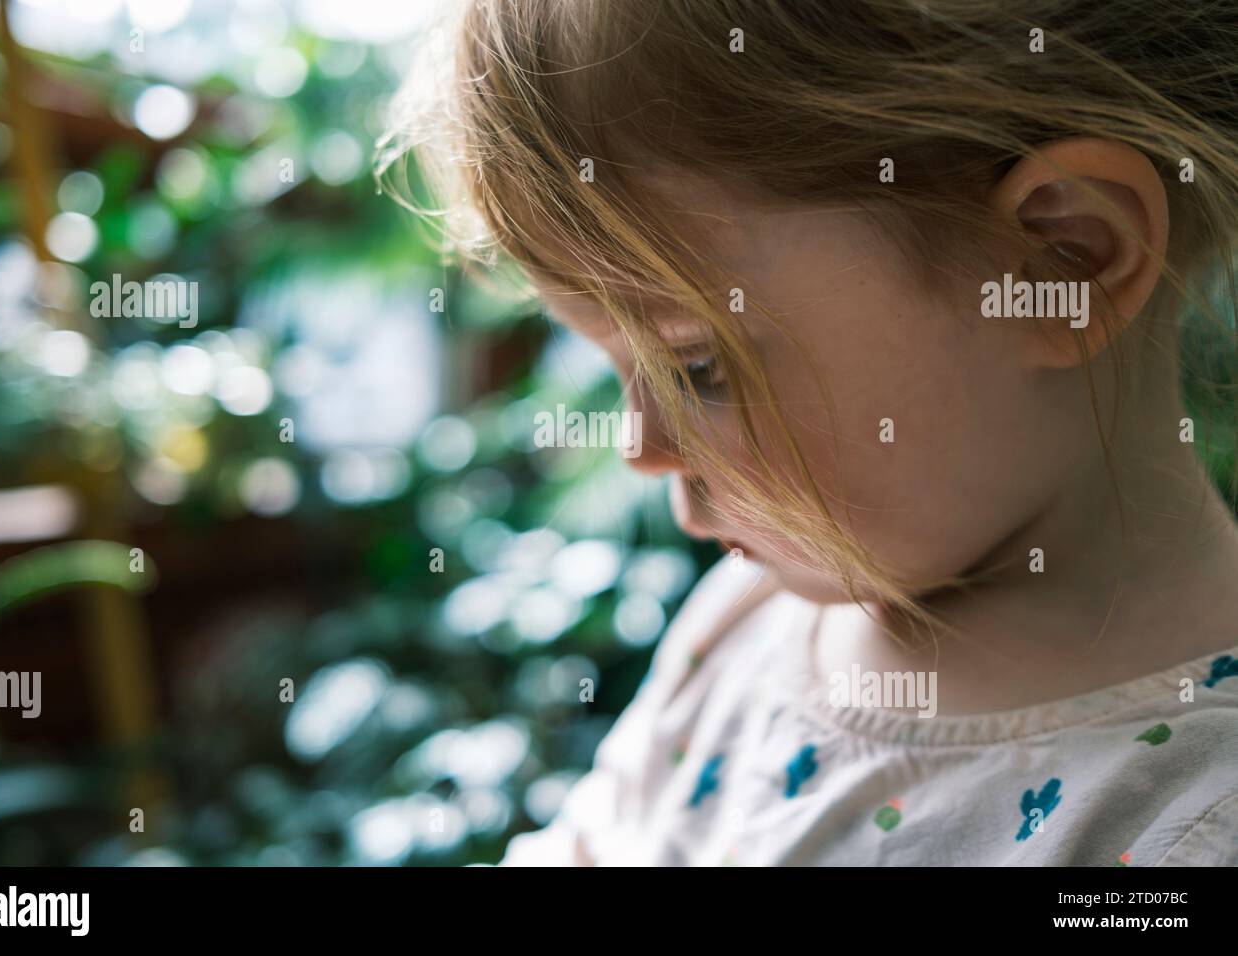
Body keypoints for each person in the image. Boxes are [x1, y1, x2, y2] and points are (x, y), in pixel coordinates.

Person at [380, 0, 1238, 865]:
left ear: (1064, 260)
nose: (638, 445)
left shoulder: (1185, 829)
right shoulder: (747, 626)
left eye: (696, 367)